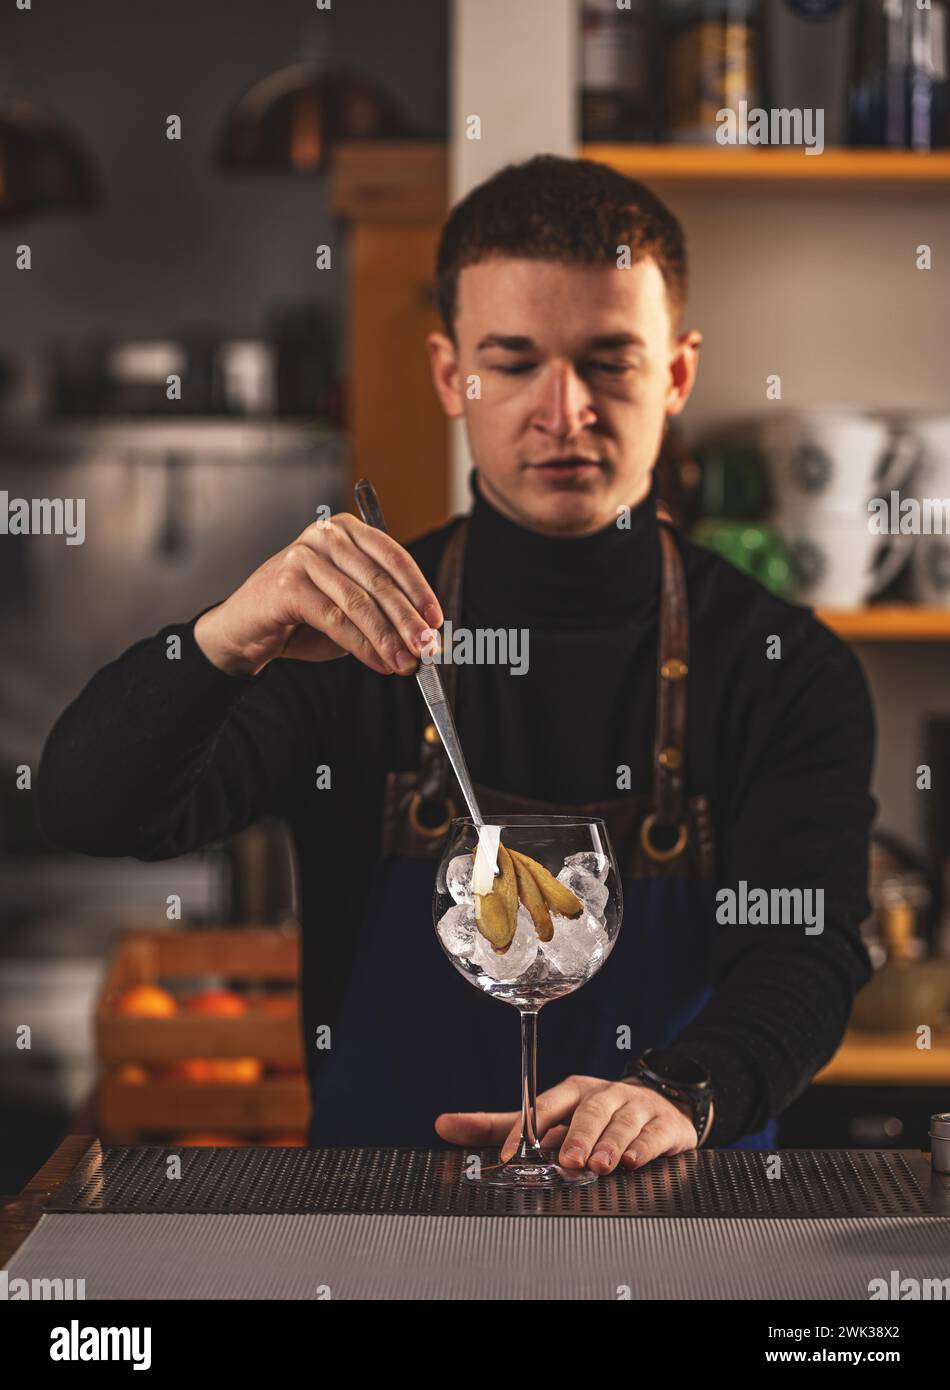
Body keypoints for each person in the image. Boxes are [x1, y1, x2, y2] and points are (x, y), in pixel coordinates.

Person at [37, 156, 875, 1172]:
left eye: (608, 360)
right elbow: (91, 808)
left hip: (679, 1210)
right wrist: (229, 635)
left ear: (676, 372)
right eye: (513, 361)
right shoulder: (346, 632)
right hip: (380, 1220)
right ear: (449, 375)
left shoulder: (783, 666)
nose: (562, 410)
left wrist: (678, 1092)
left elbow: (803, 950)